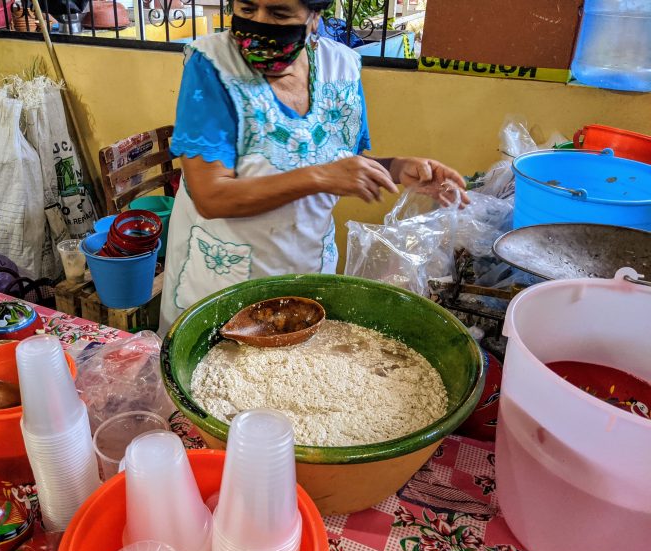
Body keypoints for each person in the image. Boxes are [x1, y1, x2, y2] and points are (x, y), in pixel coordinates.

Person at [158, 0, 469, 334]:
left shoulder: (342, 67)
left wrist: (395, 168)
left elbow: (334, 158)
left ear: (314, 17)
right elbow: (211, 196)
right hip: (225, 277)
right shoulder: (213, 65)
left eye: (279, 14)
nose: (259, 23)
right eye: (247, 10)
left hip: (307, 267)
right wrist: (320, 178)